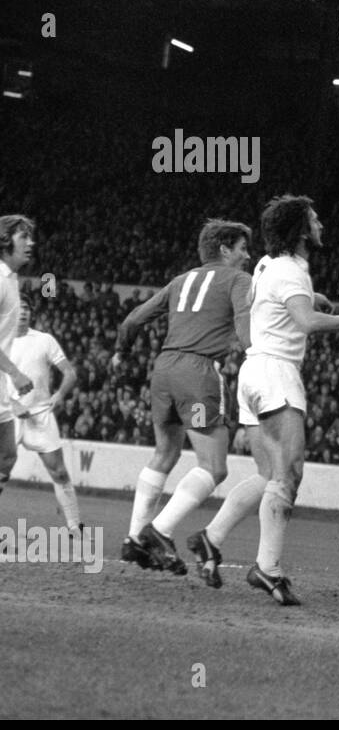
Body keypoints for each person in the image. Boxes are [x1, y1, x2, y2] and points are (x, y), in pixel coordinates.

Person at [189, 196, 339, 605]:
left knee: (266, 474)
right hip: (277, 373)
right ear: (300, 230)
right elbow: (306, 322)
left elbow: (281, 302)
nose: (321, 223)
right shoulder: (291, 271)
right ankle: (268, 569)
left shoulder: (266, 264)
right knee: (288, 474)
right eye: (314, 218)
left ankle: (211, 538)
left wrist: (314, 296)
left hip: (252, 372)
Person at [113, 219, 254, 573]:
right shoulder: (238, 280)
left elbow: (132, 320)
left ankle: (134, 541)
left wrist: (121, 353)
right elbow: (246, 324)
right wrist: (258, 355)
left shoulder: (180, 281)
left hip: (164, 370)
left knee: (165, 454)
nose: (248, 256)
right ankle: (159, 531)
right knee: (214, 467)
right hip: (198, 372)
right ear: (224, 250)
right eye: (242, 248)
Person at [10, 296, 81, 530]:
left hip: (40, 415)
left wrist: (58, 396)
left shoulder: (44, 340)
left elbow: (69, 373)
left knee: (59, 472)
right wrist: (11, 403)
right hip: (7, 416)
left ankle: (75, 527)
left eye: (27, 308)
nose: (23, 312)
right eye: (18, 308)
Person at [0, 215, 38, 505]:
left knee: (6, 456)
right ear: (5, 240)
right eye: (23, 236)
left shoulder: (11, 280)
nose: (30, 242)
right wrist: (15, 373)